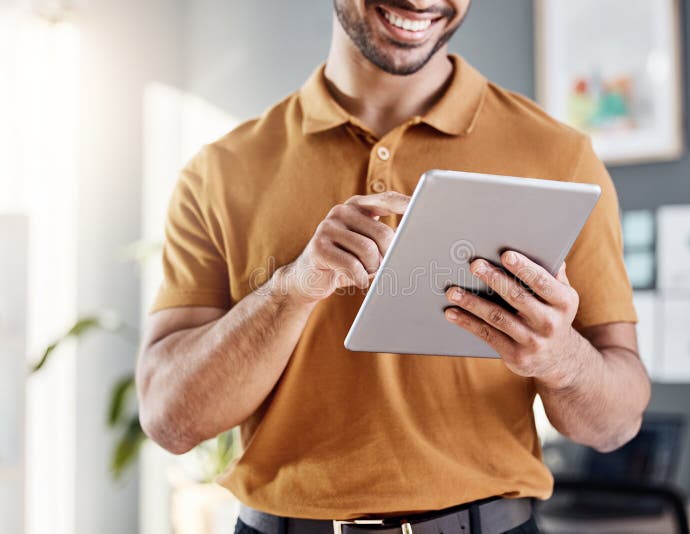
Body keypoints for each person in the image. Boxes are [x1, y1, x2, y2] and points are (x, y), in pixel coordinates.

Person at [135, 1, 651, 533]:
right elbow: (170, 420)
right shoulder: (219, 172)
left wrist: (562, 357)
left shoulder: (560, 158)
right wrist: (292, 286)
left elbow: (616, 424)